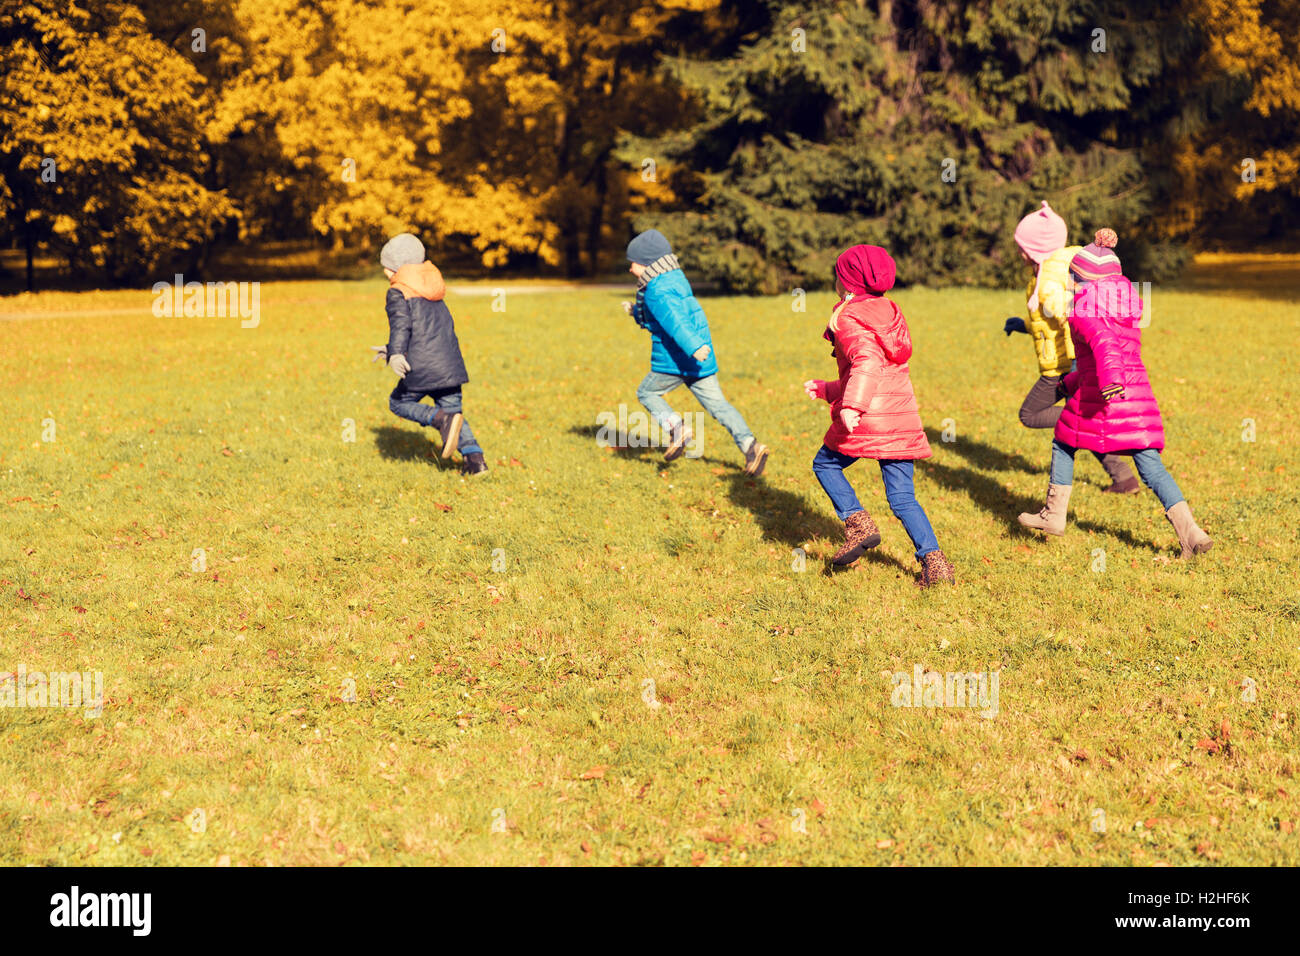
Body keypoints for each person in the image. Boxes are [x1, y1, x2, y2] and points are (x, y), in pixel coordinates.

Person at [1018, 230, 1212, 558]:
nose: (1069, 285)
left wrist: (1110, 381)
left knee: (1063, 442)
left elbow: (1104, 349)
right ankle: (1191, 532)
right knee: (1151, 467)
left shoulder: (1084, 310)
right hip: (1137, 402)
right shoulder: (1122, 310)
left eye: (1073, 279)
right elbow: (1100, 358)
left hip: (1109, 398)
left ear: (1085, 281)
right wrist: (1070, 384)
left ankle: (1053, 515)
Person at [804, 244, 955, 587]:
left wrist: (852, 406)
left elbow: (867, 362)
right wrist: (830, 389)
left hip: (867, 414)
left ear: (847, 283)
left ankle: (858, 524)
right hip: (900, 417)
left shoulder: (846, 315)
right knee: (903, 498)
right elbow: (877, 366)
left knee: (825, 464)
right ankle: (936, 565)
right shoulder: (889, 310)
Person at [1005, 201, 1139, 493]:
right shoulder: (1053, 270)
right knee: (1082, 419)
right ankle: (1124, 478)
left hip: (1062, 366)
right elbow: (1050, 320)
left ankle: (1088, 422)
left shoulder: (1050, 278)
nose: (1020, 253)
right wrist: (1024, 325)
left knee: (1031, 414)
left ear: (1037, 248)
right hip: (1068, 361)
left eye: (1023, 247)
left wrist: (1081, 361)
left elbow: (1070, 316)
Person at [622, 229, 768, 475]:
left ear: (648, 263)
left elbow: (675, 320)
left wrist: (693, 347)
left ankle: (677, 429)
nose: (630, 268)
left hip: (678, 359)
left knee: (646, 393)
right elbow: (660, 315)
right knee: (719, 406)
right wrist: (635, 312)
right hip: (698, 359)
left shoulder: (656, 290)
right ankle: (751, 446)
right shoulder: (671, 278)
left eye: (633, 263)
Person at [372, 233, 488, 476]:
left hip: (422, 367)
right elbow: (427, 331)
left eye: (388, 268)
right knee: (454, 415)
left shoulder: (398, 293)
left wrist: (396, 355)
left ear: (396, 269)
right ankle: (475, 462)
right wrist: (391, 348)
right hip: (449, 366)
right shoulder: (434, 288)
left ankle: (438, 419)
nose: (385, 273)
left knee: (399, 402)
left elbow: (401, 326)